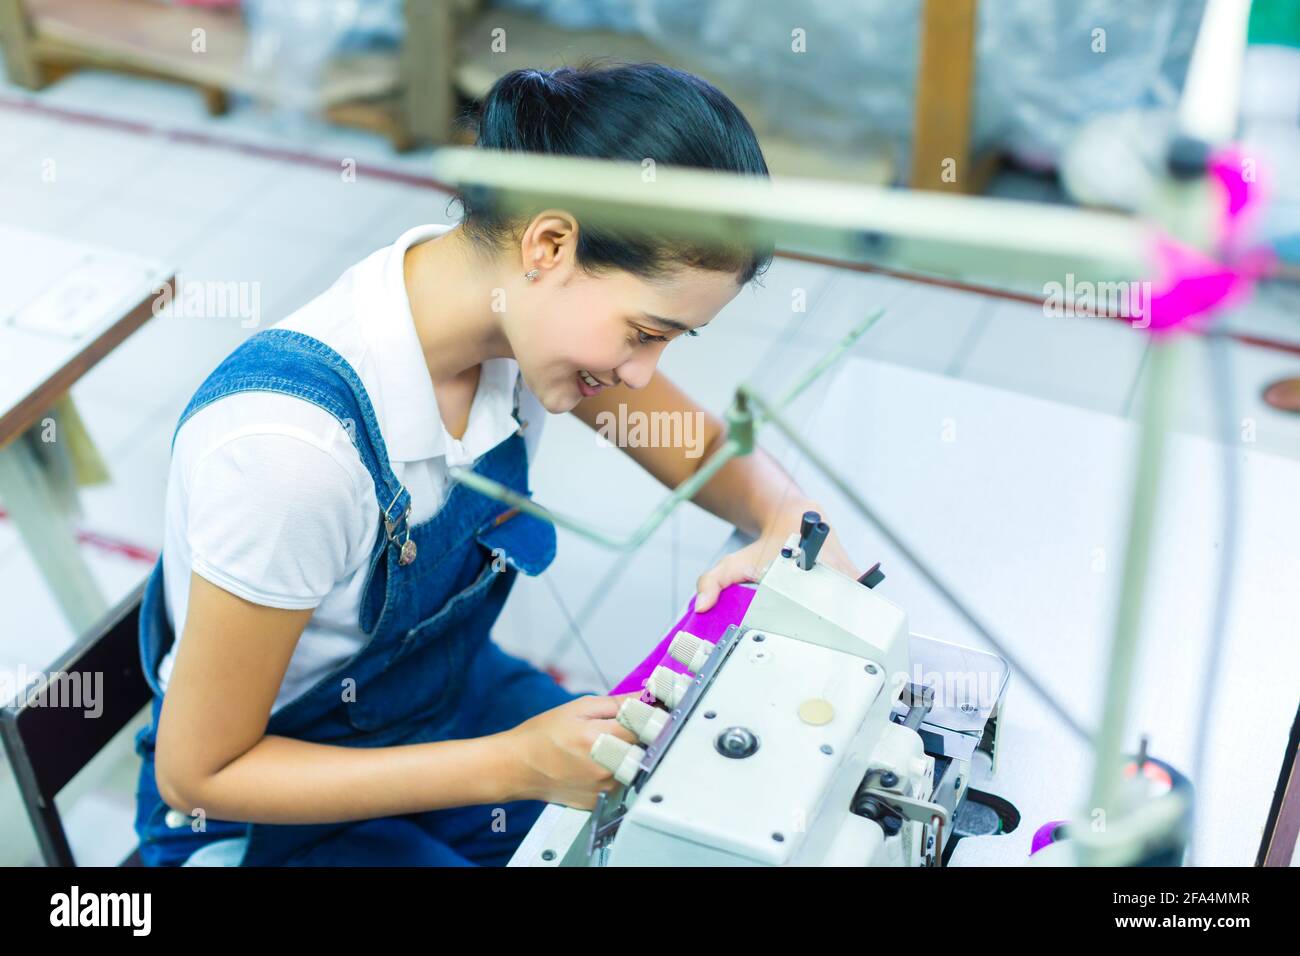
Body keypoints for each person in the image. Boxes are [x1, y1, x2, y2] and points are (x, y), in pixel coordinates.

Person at [133, 61, 857, 866]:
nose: (643, 376)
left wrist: (792, 522)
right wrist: (512, 764)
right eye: (645, 332)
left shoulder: (513, 317)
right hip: (265, 805)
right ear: (549, 243)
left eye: (671, 341)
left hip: (444, 703)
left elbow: (700, 450)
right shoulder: (292, 458)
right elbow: (198, 774)